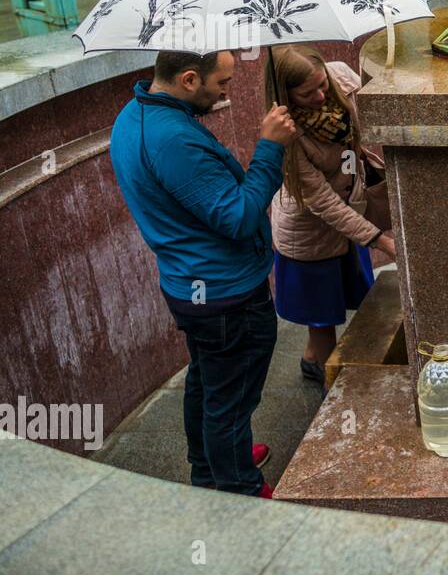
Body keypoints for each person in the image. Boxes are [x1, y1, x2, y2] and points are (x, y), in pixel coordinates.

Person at [110, 49, 296, 498]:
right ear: (190, 79)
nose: (225, 92)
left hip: (191, 287)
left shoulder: (134, 113)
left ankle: (209, 467)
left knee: (208, 380)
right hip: (226, 295)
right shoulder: (173, 139)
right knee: (231, 400)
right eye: (222, 84)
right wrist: (270, 147)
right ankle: (239, 488)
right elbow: (238, 217)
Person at [263, 46, 396, 387]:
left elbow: (373, 115)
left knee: (343, 295)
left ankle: (311, 360)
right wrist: (380, 240)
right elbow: (323, 202)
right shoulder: (284, 134)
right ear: (285, 94)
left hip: (351, 214)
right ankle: (331, 386)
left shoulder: (340, 76)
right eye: (307, 93)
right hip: (309, 234)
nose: (321, 96)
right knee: (321, 317)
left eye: (322, 84)